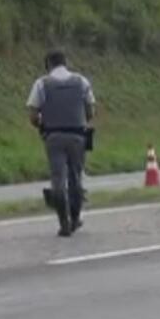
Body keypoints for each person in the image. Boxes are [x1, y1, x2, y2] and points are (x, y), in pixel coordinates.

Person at [27, 50, 96, 237]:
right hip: (77, 136)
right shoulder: (81, 81)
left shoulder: (41, 83)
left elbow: (33, 114)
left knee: (58, 178)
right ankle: (75, 218)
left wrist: (42, 125)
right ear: (66, 63)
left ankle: (63, 222)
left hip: (54, 136)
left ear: (48, 64)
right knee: (76, 177)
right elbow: (90, 110)